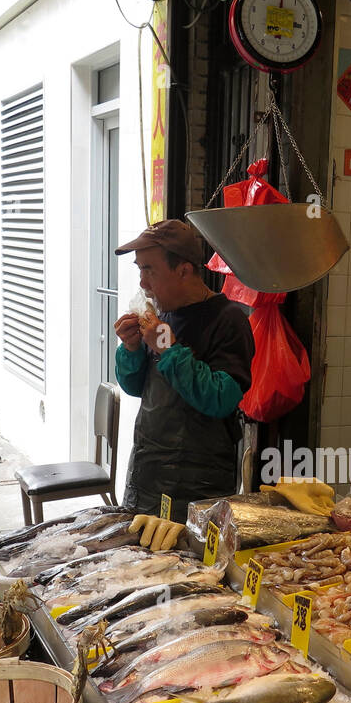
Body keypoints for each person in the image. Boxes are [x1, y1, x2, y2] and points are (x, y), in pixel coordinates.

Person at [113, 219, 252, 522]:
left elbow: (221, 398)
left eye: (149, 269)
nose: (142, 283)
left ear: (184, 270)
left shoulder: (229, 320)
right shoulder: (161, 314)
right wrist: (132, 349)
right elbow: (138, 387)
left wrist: (168, 349)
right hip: (146, 475)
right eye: (139, 269)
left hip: (198, 488)